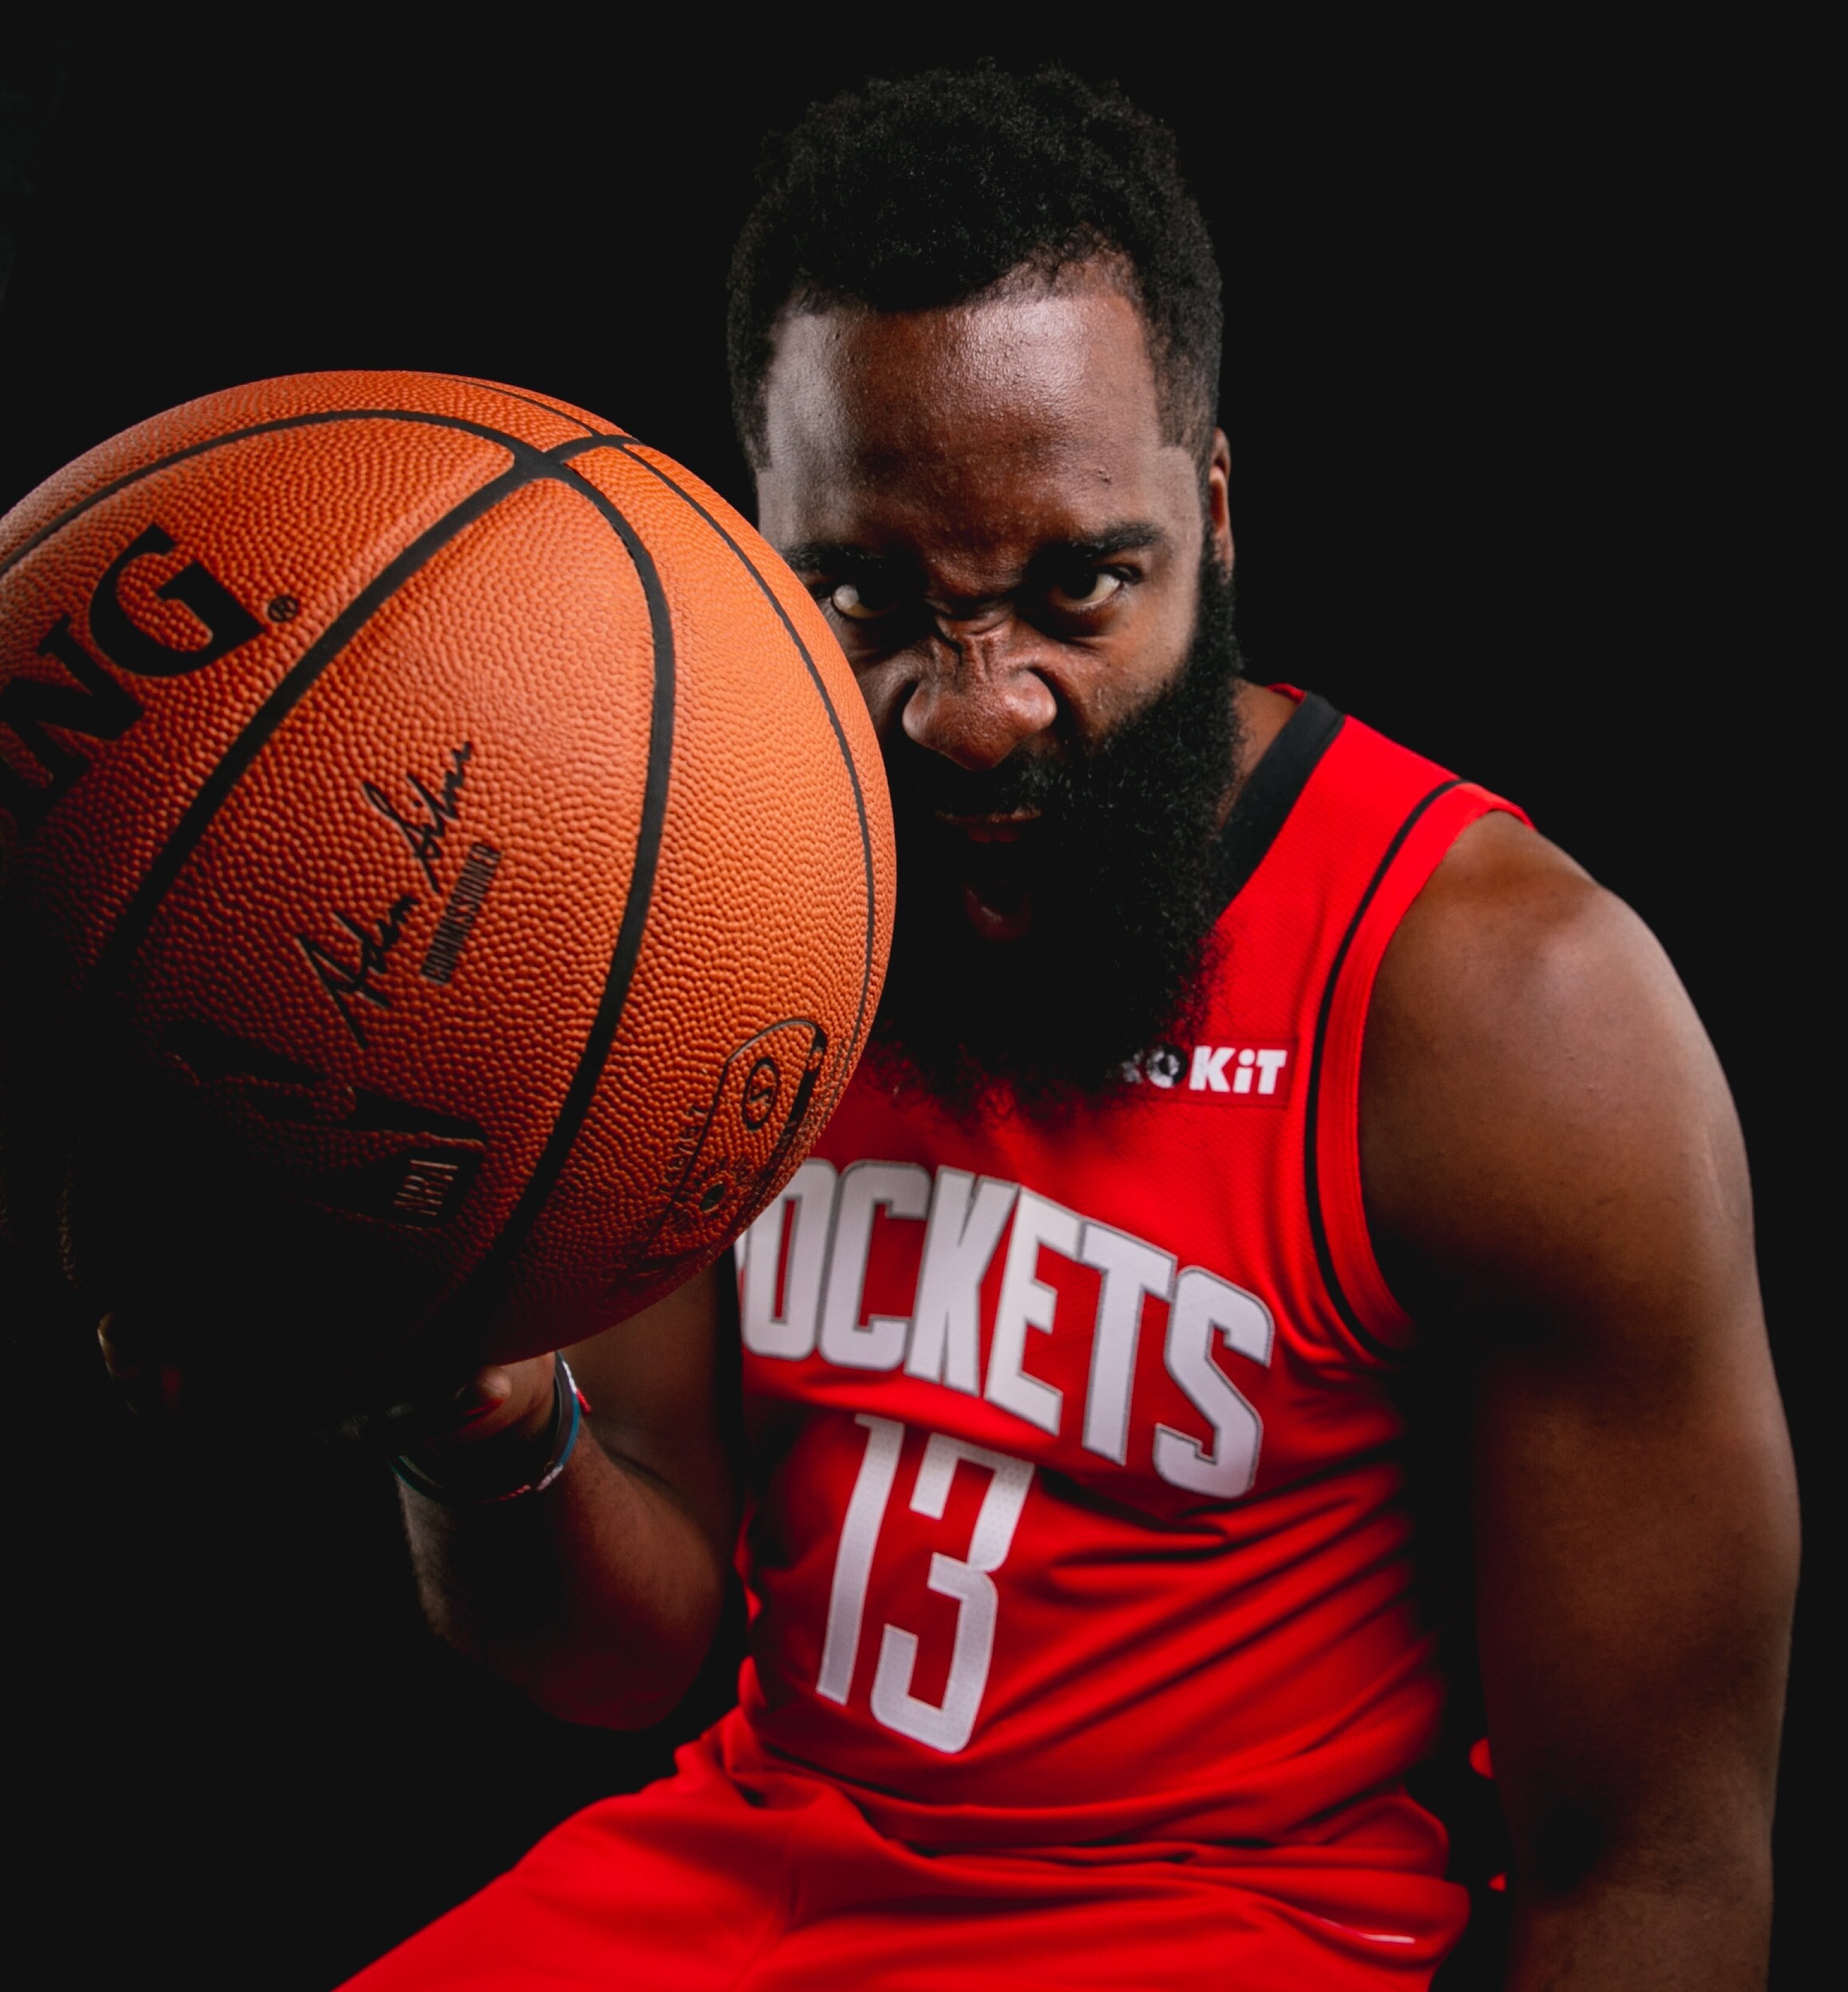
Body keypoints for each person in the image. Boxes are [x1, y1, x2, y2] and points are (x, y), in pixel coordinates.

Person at [117, 67, 1798, 1990]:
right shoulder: (680, 930)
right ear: (759, 548)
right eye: (863, 597)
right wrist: (475, 1419)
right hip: (755, 1871)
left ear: (1213, 515)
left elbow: (1655, 1858)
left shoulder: (1497, 998)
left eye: (1078, 588)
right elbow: (624, 1661)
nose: (977, 711)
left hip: (1225, 1929)